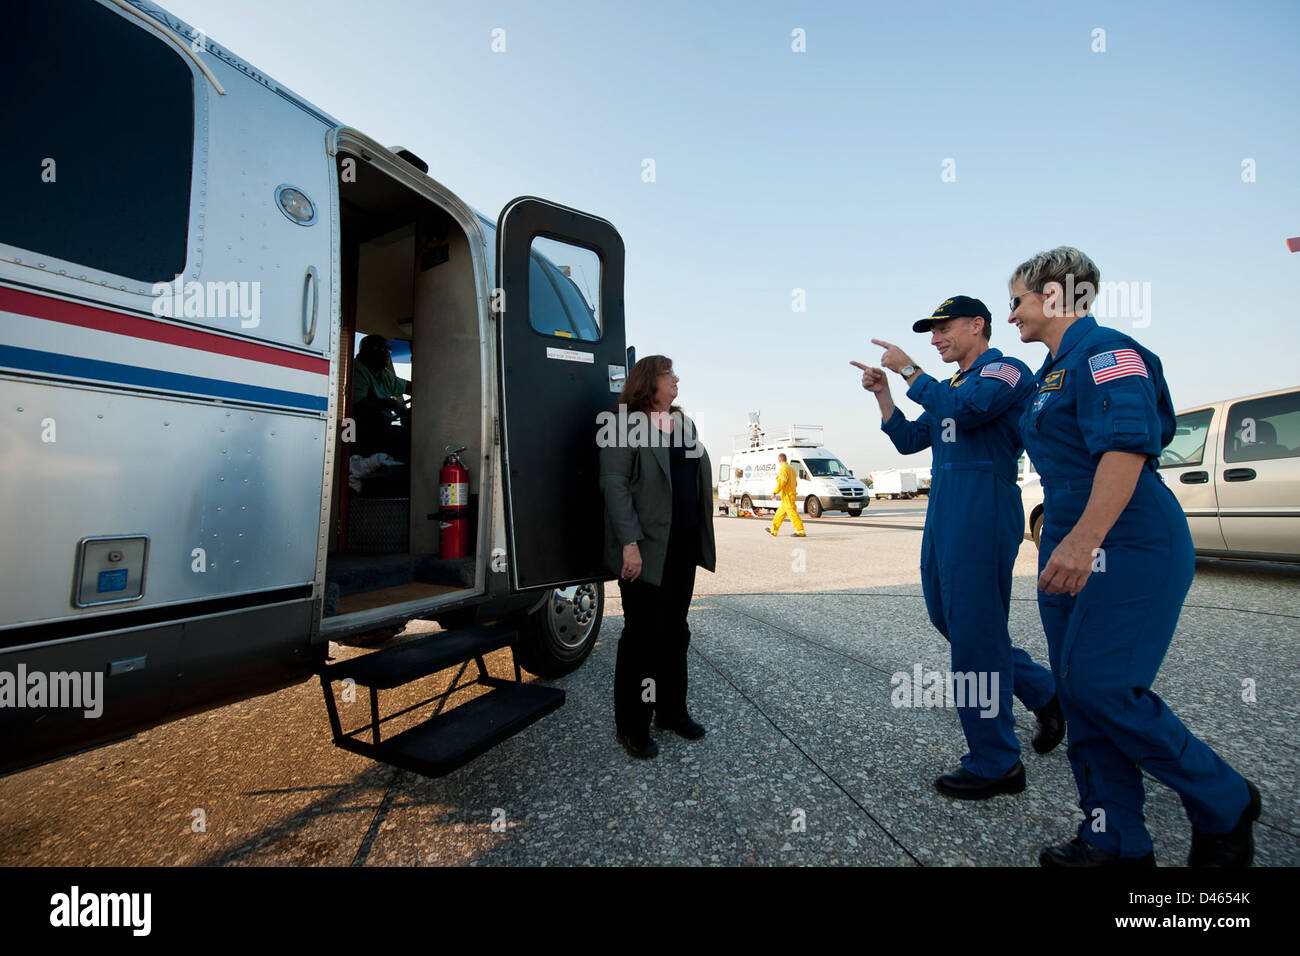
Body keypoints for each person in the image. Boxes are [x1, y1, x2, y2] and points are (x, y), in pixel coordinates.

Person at [1009, 247, 1259, 866]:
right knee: (1078, 691)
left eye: (1017, 300)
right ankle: (1113, 836)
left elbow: (1125, 449)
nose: (1011, 314)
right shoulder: (1050, 373)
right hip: (1072, 539)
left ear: (1054, 296)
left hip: (1125, 539)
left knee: (1105, 688)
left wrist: (1083, 538)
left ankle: (1223, 797)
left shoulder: (1109, 353)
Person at [852, 295, 1063, 800]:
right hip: (946, 511)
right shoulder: (948, 388)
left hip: (983, 507)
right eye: (930, 333)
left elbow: (968, 414)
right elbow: (907, 440)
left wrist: (909, 370)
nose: (935, 339)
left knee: (975, 638)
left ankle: (996, 761)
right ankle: (1044, 692)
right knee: (952, 620)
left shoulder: (1007, 372)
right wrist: (884, 394)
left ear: (978, 326)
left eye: (943, 329)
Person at [599, 356, 717, 758]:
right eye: (670, 374)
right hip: (645, 548)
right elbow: (614, 485)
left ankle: (671, 712)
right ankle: (632, 726)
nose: (677, 379)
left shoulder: (684, 425)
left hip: (682, 546)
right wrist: (628, 544)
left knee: (676, 631)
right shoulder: (622, 425)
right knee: (641, 637)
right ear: (650, 381)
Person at [352, 334, 411, 459]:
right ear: (367, 352)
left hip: (381, 428)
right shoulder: (356, 369)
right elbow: (359, 403)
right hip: (361, 431)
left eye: (387, 350)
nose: (387, 354)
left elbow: (410, 388)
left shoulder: (383, 373)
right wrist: (392, 404)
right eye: (381, 349)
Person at [766, 453, 807, 537]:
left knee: (792, 513)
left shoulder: (783, 469)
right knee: (779, 513)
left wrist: (774, 492)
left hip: (787, 495)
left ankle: (800, 531)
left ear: (779, 460)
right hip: (790, 494)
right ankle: (774, 530)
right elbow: (795, 483)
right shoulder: (791, 468)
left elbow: (781, 483)